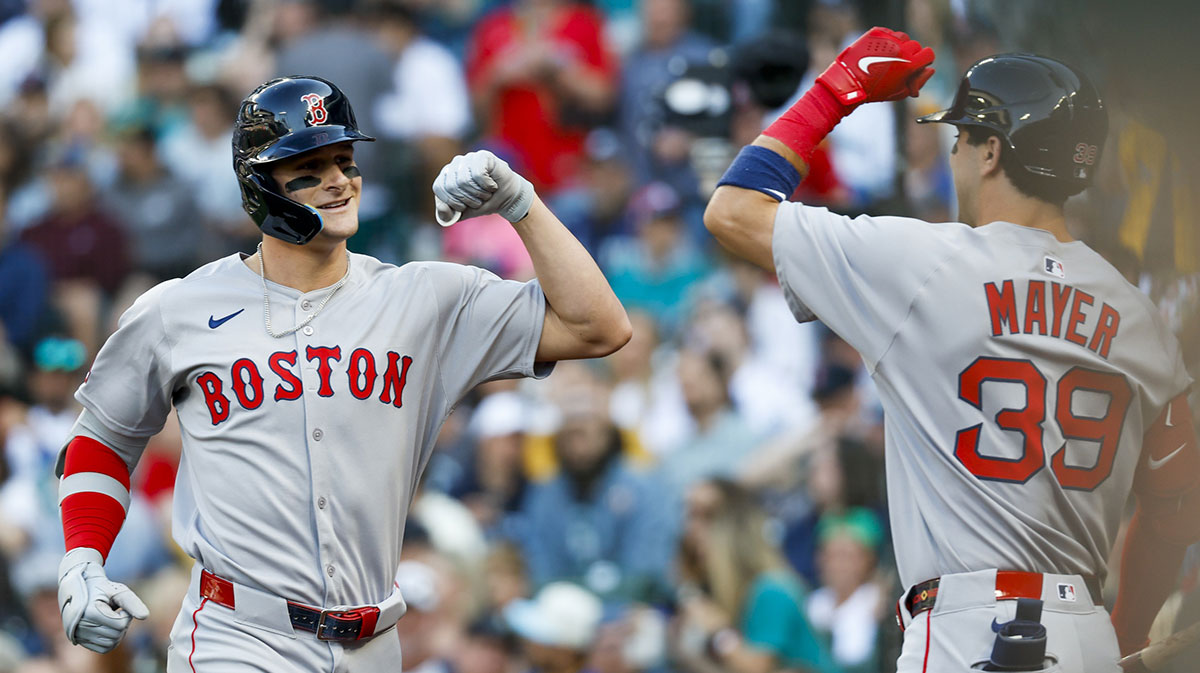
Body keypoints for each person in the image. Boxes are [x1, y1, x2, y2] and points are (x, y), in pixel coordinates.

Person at [54, 75, 631, 670]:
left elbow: (599, 327)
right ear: (259, 185)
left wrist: (521, 204)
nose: (338, 180)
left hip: (375, 641)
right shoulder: (177, 309)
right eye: (308, 166)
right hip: (242, 636)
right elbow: (103, 437)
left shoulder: (424, 298)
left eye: (345, 160)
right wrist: (83, 558)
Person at [704, 27, 1200, 673]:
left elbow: (732, 210)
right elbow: (1173, 511)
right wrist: (1121, 636)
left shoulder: (923, 262)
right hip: (1082, 632)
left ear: (992, 150)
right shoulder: (1141, 317)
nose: (954, 151)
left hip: (968, 631)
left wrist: (836, 90)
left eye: (961, 137)